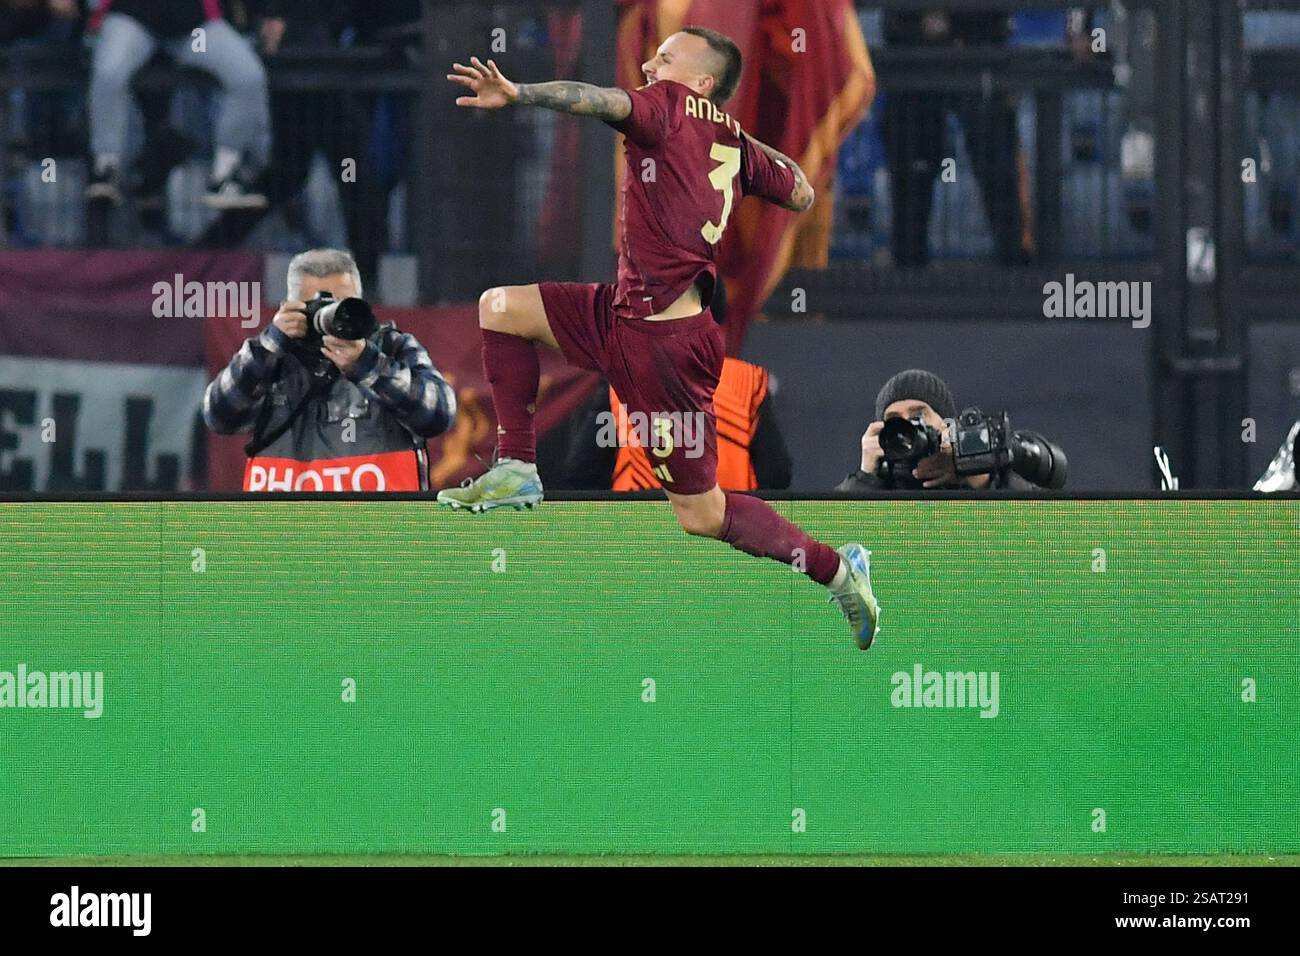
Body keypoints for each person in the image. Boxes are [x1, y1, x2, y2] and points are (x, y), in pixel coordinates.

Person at [437, 28, 881, 650]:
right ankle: (517, 466)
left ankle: (838, 569)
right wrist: (728, 128)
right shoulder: (725, 134)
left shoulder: (668, 107)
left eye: (665, 58)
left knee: (702, 515)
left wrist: (519, 93)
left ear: (697, 81)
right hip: (625, 313)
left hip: (665, 349)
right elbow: (802, 192)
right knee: (502, 308)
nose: (649, 63)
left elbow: (598, 100)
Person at [203, 248, 455, 491]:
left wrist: (369, 365)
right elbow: (219, 415)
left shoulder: (392, 348)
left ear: (361, 304)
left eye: (341, 305)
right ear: (290, 307)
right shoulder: (270, 359)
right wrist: (269, 345)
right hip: (286, 528)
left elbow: (439, 414)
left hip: (377, 529)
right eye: (318, 305)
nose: (331, 316)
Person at [85, 0, 271, 212]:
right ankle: (106, 166)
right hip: (132, 18)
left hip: (193, 27)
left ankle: (225, 176)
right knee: (109, 71)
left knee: (248, 76)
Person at [836, 369, 1057, 492]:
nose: (906, 429)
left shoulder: (973, 480)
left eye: (918, 416)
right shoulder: (877, 486)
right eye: (894, 421)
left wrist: (979, 478)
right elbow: (832, 549)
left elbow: (1041, 528)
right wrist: (865, 478)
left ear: (946, 426)